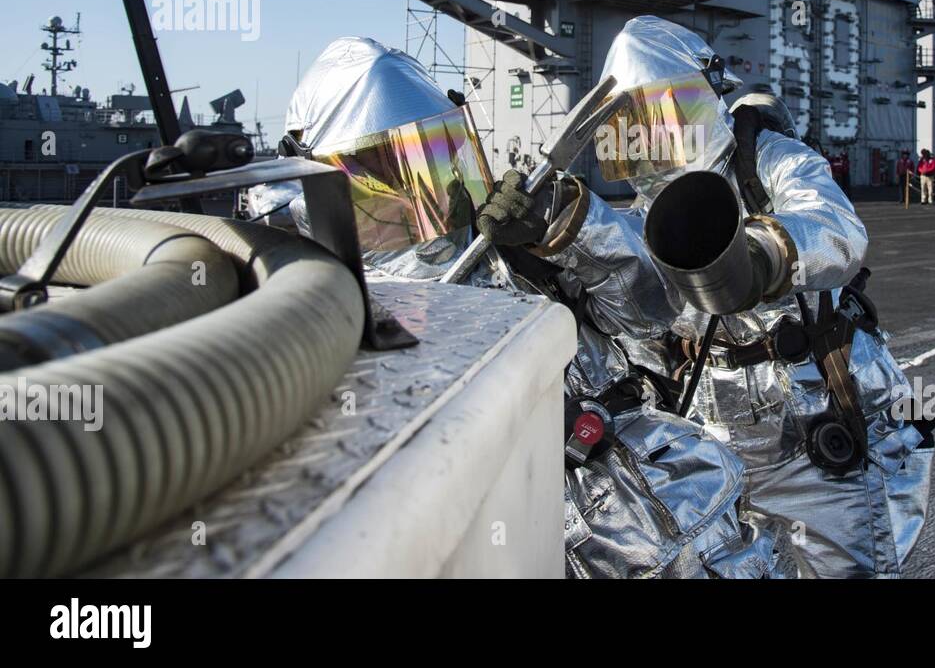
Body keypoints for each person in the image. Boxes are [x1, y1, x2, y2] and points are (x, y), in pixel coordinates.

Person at [253, 37, 795, 579]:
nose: (426, 195)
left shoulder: (517, 247)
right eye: (389, 178)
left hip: (700, 515)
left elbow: (651, 310)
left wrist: (575, 228)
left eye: (437, 160)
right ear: (318, 192)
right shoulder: (332, 323)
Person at [569, 16, 932, 578]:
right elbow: (639, 313)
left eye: (670, 116)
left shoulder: (768, 159)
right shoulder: (644, 215)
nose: (656, 138)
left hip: (816, 435)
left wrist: (762, 254)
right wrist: (568, 231)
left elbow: (836, 228)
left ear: (707, 100)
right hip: (715, 443)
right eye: (635, 126)